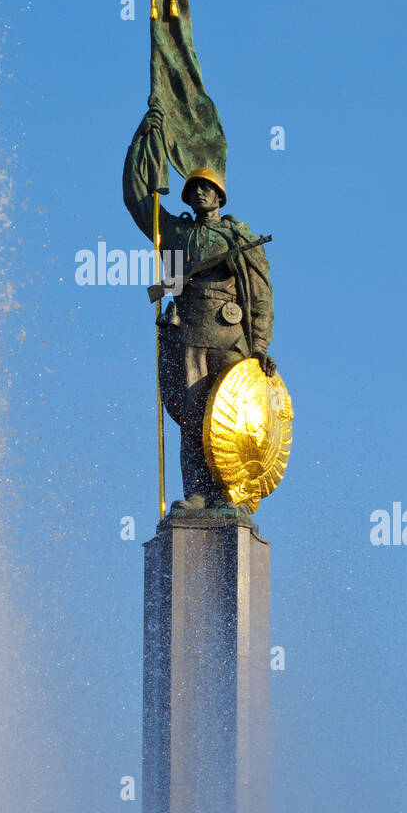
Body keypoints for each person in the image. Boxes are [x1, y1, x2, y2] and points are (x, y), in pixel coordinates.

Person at [123, 104, 277, 516]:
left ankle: (232, 494)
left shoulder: (238, 236)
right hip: (189, 331)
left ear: (220, 194)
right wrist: (143, 141)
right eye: (195, 189)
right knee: (193, 420)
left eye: (208, 188)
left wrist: (259, 343)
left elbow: (260, 294)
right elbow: (138, 200)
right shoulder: (176, 233)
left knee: (233, 417)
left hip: (230, 333)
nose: (201, 193)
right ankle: (195, 493)